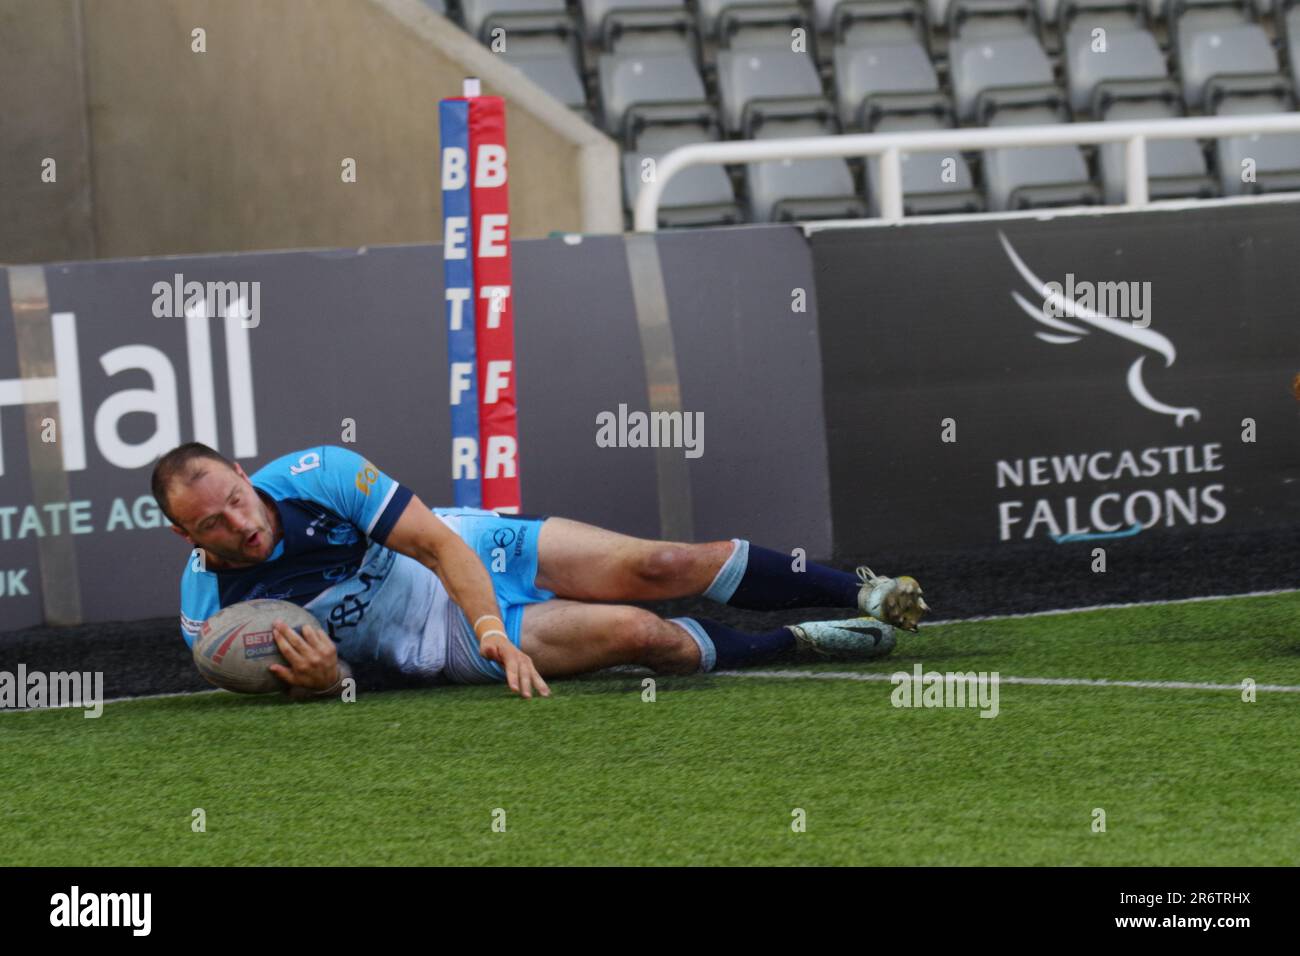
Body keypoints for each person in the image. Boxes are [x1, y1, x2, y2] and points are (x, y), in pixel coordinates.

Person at [153, 443, 929, 700]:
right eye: (213, 523)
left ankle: (863, 589)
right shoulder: (210, 616)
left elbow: (438, 548)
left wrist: (493, 624)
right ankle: (801, 639)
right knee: (638, 633)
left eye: (238, 498)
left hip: (467, 557)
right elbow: (332, 680)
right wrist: (329, 687)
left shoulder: (320, 472)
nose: (240, 523)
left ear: (246, 476)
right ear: (187, 536)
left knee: (662, 564)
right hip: (432, 642)